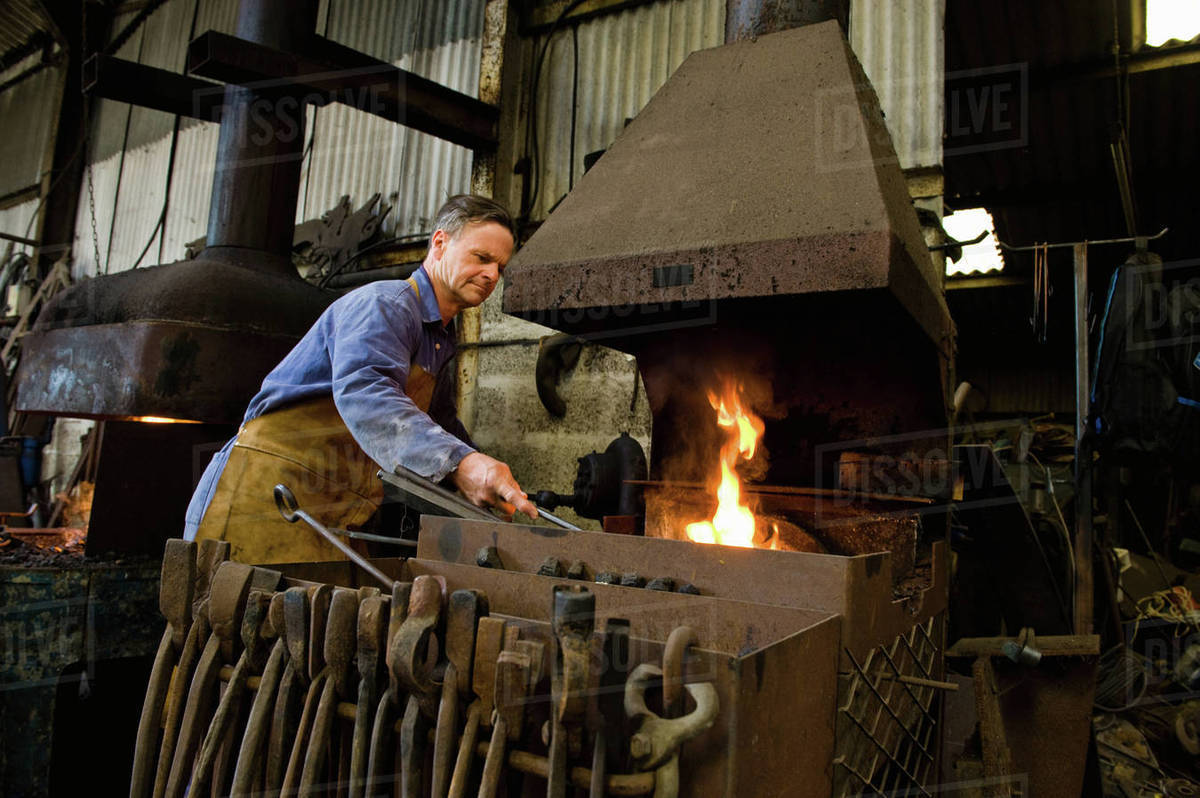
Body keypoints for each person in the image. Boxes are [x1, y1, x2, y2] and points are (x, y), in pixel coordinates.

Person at [183, 194, 537, 563]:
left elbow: (441, 427)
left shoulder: (440, 339)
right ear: (439, 243)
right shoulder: (386, 305)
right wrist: (462, 464)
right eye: (482, 258)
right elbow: (366, 391)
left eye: (500, 266)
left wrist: (490, 480)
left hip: (330, 513)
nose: (492, 275)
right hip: (262, 495)